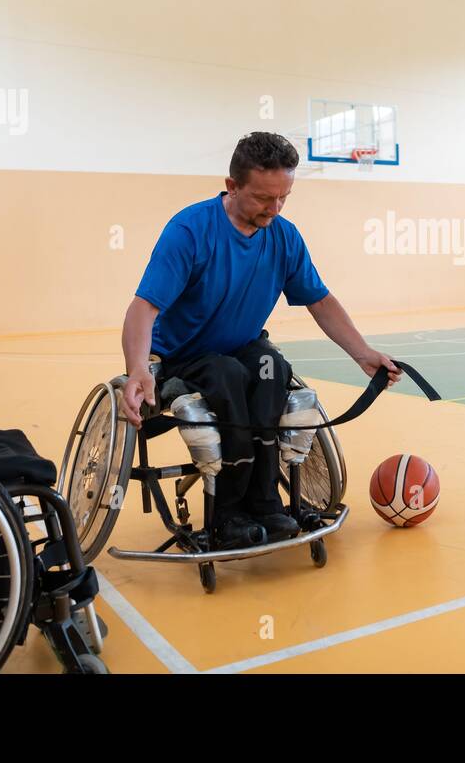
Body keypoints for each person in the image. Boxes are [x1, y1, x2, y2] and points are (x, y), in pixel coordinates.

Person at [119, 132, 401, 549]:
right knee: (228, 374)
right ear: (232, 186)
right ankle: (228, 512)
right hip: (185, 355)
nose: (274, 208)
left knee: (274, 370)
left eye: (284, 197)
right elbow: (144, 307)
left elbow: (319, 301)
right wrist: (138, 369)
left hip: (244, 346)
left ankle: (267, 502)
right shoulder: (190, 231)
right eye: (263, 198)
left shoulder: (284, 236)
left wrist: (363, 354)